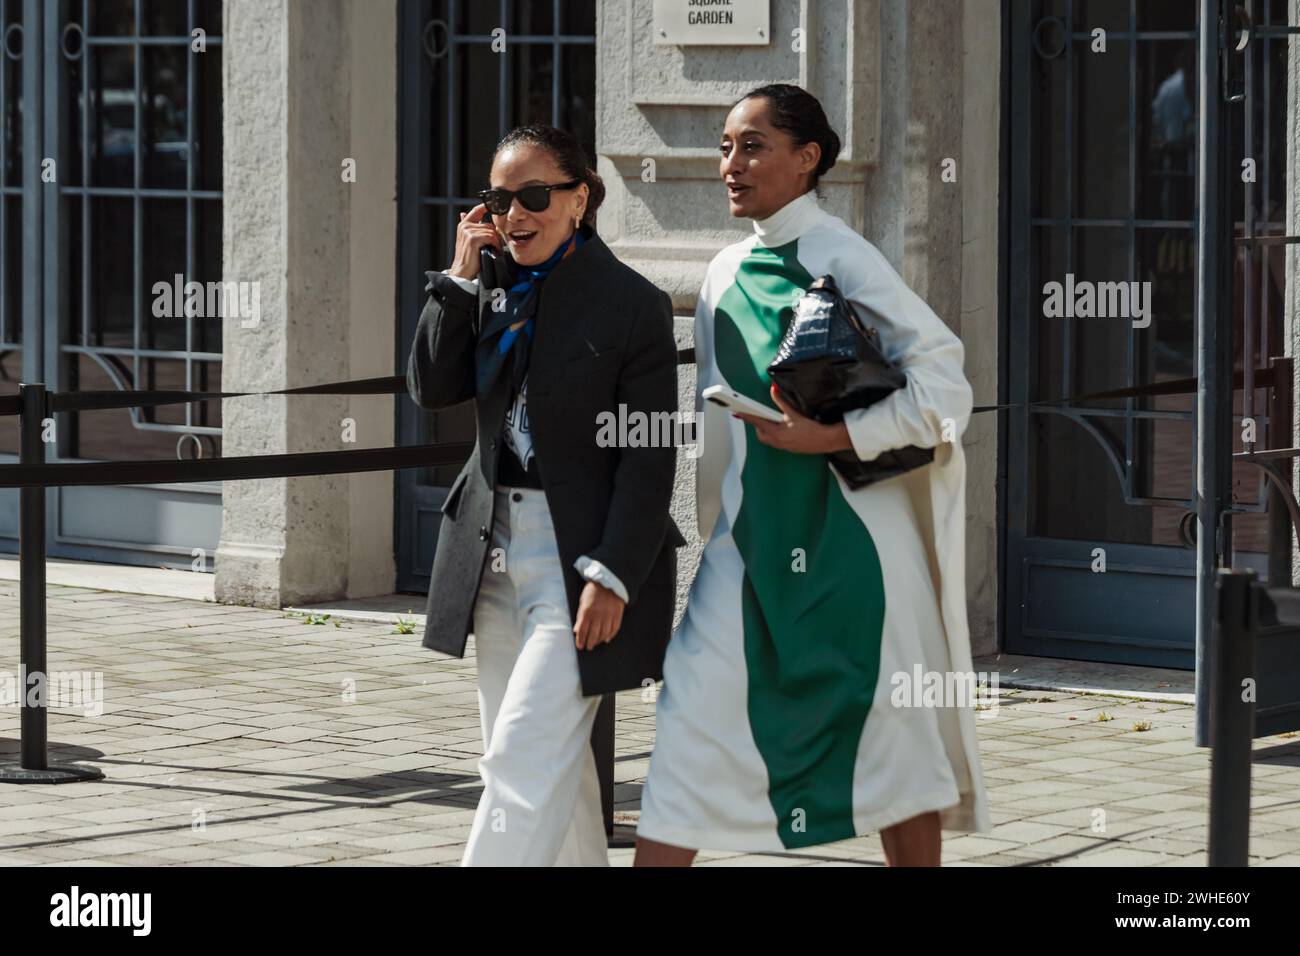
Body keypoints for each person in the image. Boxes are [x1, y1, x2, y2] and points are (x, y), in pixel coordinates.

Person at [634, 84, 990, 866]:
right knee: (689, 725)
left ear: (808, 159)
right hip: (748, 555)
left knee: (893, 750)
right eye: (726, 145)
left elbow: (945, 388)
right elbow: (717, 437)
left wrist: (833, 434)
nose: (731, 163)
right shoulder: (723, 271)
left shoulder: (842, 257)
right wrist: (719, 538)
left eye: (753, 146)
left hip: (854, 554)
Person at [406, 124, 683, 866]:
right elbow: (432, 387)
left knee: (520, 766)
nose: (514, 215)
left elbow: (650, 457)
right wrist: (459, 279)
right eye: (499, 199)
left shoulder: (632, 305)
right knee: (544, 771)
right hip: (491, 555)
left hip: (580, 562)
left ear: (580, 198)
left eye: (534, 195)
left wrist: (614, 573)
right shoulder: (489, 287)